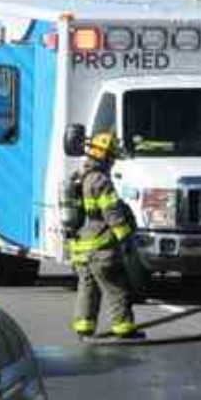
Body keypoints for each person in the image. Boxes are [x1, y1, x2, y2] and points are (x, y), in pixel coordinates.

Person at [67, 131, 142, 341]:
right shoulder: (100, 181)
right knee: (116, 288)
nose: (112, 162)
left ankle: (84, 327)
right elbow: (112, 213)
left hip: (80, 248)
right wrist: (125, 238)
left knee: (87, 288)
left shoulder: (78, 179)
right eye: (111, 157)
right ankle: (124, 329)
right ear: (105, 157)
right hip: (101, 248)